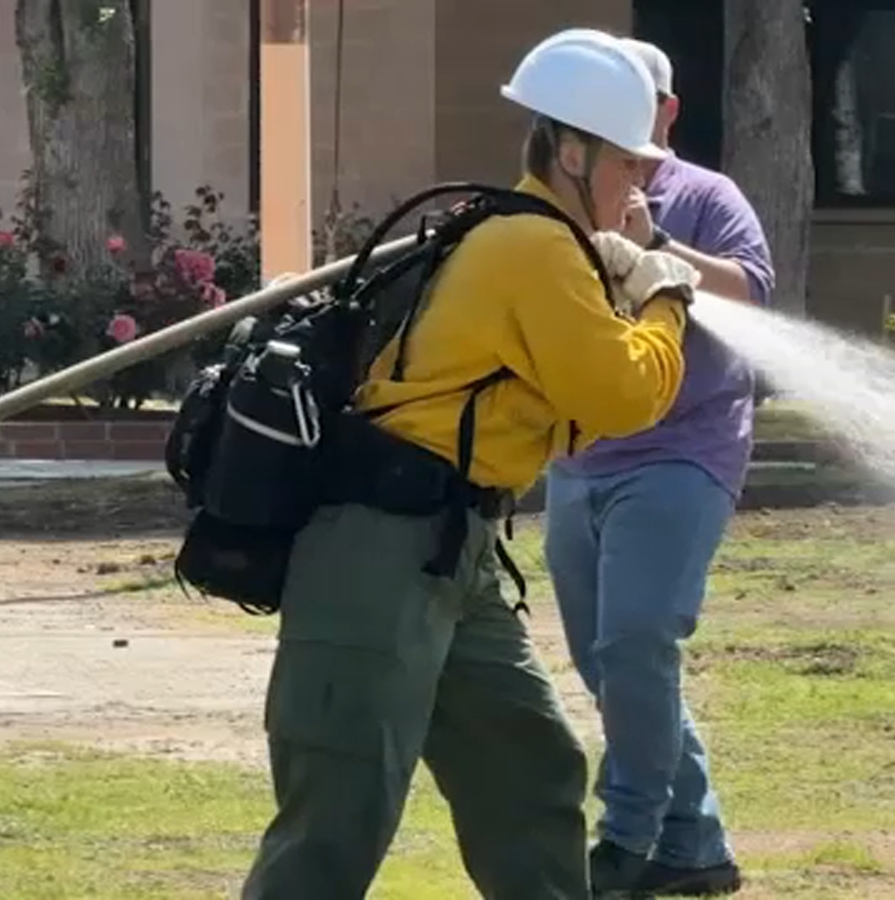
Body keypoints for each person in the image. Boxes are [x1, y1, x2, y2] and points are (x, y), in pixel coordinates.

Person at [239, 28, 704, 900]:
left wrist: (617, 288)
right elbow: (625, 396)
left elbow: (569, 416)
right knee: (337, 812)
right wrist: (666, 296)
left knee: (529, 771)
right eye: (626, 165)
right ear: (571, 152)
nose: (638, 184)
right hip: (378, 549)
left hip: (457, 547)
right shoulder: (529, 248)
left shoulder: (541, 246)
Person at [542, 36, 776, 898]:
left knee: (638, 639)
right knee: (607, 661)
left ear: (668, 112)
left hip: (683, 451)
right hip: (579, 456)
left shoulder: (707, 196)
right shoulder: (565, 192)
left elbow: (753, 294)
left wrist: (660, 245)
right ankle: (697, 847)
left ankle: (628, 841)